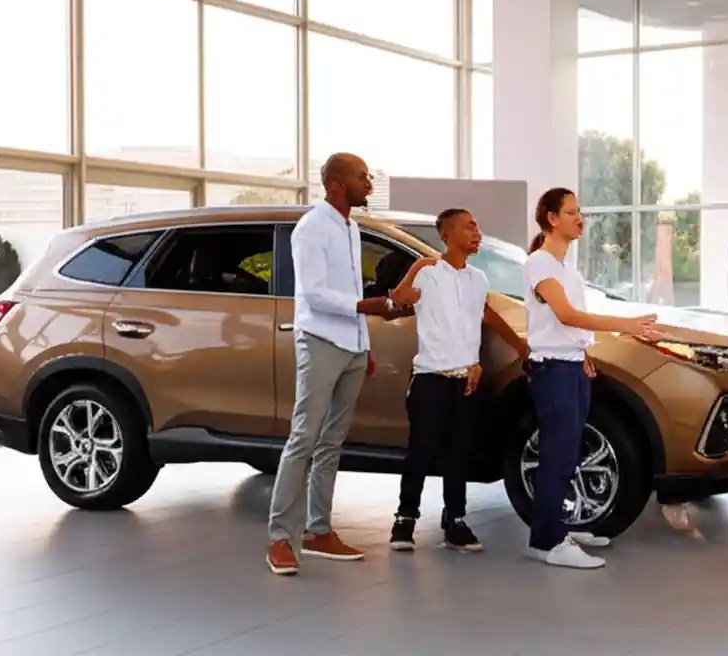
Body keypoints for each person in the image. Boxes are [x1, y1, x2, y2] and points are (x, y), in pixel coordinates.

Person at [265, 152, 406, 576]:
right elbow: (316, 294)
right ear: (336, 185)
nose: (369, 183)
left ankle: (317, 530)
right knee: (303, 438)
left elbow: (348, 288)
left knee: (332, 442)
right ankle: (279, 539)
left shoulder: (351, 227)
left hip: (351, 347)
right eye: (362, 177)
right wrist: (373, 306)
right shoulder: (311, 228)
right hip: (320, 342)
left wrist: (366, 348)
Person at [522, 187, 665, 570]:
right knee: (556, 453)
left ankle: (556, 527)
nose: (579, 218)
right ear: (552, 218)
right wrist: (627, 325)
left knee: (570, 452)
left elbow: (568, 324)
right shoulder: (540, 264)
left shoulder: (568, 268)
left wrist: (583, 354)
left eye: (579, 211)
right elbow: (566, 315)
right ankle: (547, 541)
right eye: (571, 212)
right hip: (552, 370)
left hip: (570, 366)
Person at [386, 208, 530, 553]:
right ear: (447, 234)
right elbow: (398, 301)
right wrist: (417, 267)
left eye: (477, 226)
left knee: (459, 452)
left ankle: (456, 520)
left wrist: (522, 348)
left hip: (466, 380)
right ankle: (405, 519)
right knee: (421, 451)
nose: (477, 232)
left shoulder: (478, 279)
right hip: (430, 379)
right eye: (469, 227)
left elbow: (484, 316)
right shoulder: (428, 273)